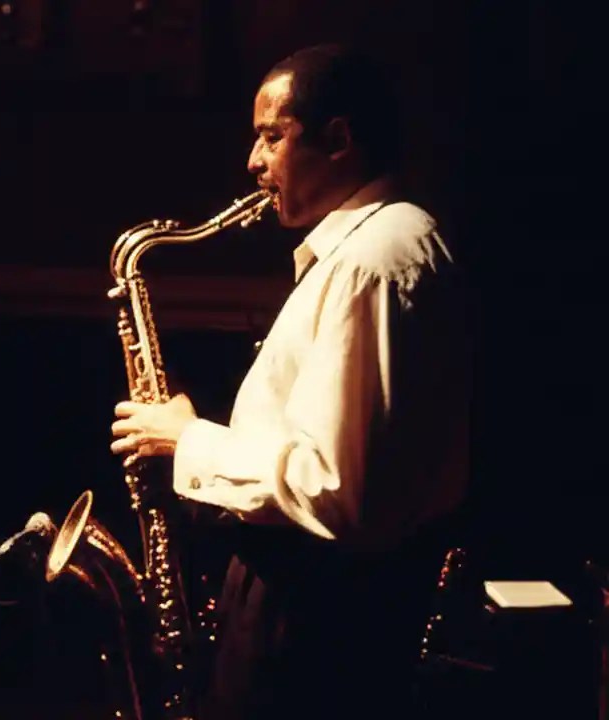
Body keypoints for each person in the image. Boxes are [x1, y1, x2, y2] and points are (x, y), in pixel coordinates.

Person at [109, 44, 469, 720]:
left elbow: (339, 490)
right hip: (318, 605)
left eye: (272, 136)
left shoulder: (373, 261)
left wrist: (188, 441)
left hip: (314, 622)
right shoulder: (378, 249)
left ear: (338, 140)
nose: (253, 162)